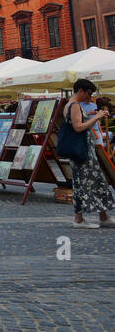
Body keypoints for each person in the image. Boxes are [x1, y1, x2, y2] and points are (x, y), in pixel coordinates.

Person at [65, 79, 115, 228]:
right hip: (82, 151)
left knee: (94, 181)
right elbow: (78, 127)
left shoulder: (74, 105)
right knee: (86, 183)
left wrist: (94, 117)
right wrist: (96, 117)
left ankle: (103, 216)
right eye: (88, 93)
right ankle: (80, 219)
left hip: (84, 150)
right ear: (81, 90)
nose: (90, 97)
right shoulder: (74, 106)